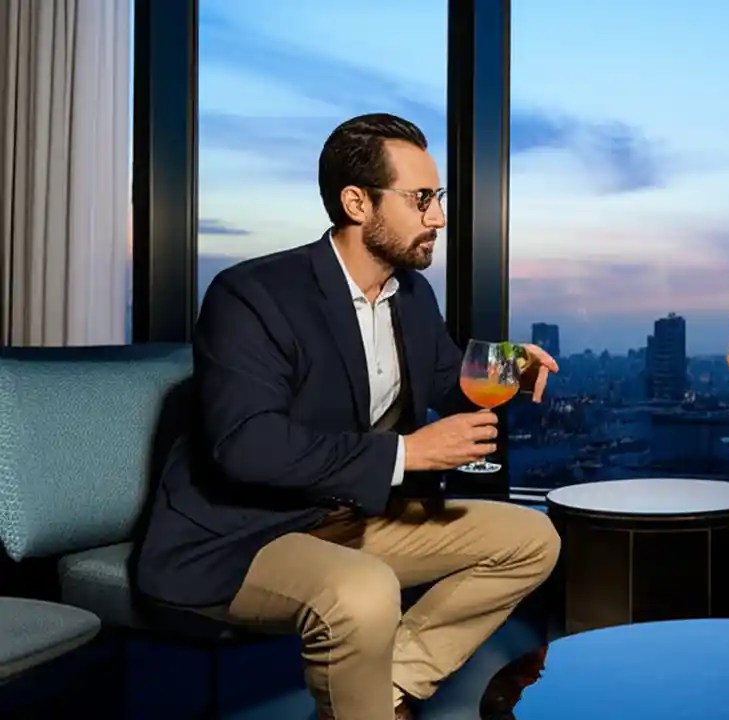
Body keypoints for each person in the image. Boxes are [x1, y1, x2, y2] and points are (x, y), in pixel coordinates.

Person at [135, 113, 562, 720]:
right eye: (421, 199)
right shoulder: (251, 295)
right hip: (244, 535)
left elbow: (449, 379)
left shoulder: (410, 294)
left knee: (533, 539)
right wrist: (409, 453)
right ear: (357, 202)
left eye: (437, 197)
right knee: (365, 590)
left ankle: (385, 691)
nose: (439, 217)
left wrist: (512, 369)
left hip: (354, 515)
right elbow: (247, 445)